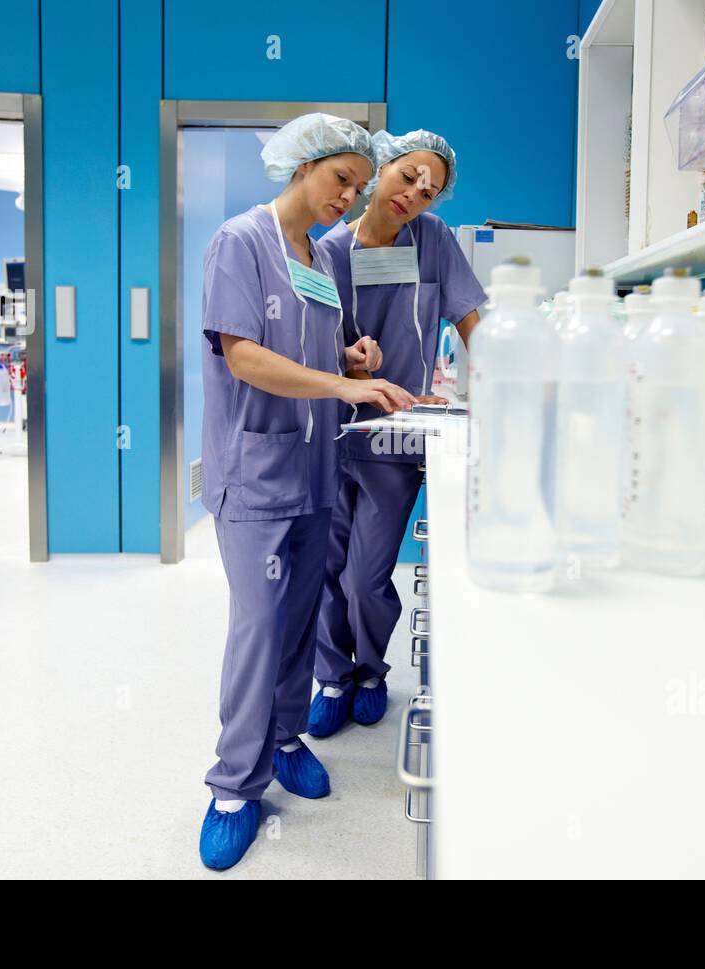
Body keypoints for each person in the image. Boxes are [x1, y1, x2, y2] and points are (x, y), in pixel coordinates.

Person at [197, 114, 417, 871]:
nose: (350, 196)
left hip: (315, 467)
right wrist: (337, 383)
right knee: (257, 625)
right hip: (255, 470)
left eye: (360, 184)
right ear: (301, 167)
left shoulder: (318, 257)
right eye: (340, 179)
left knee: (299, 618)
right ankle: (232, 787)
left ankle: (285, 736)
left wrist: (352, 362)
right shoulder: (241, 241)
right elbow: (247, 357)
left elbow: (316, 348)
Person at [308, 129, 487, 736]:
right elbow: (310, 349)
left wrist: (497, 386)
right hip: (333, 431)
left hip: (395, 434)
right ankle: (333, 674)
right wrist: (348, 361)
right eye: (408, 175)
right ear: (381, 168)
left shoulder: (432, 240)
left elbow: (470, 320)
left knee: (366, 574)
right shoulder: (328, 251)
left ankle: (372, 669)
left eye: (430, 190)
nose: (415, 193)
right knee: (328, 568)